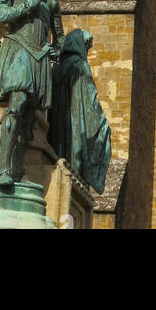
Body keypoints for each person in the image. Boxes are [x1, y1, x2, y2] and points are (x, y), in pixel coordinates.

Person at [0, 0, 63, 188]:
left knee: (30, 117)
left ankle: (17, 168)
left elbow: (59, 36)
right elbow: (0, 14)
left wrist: (57, 50)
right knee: (17, 104)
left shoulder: (52, 1)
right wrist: (28, 7)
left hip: (40, 57)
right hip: (19, 50)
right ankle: (3, 168)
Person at [49, 28, 111, 194]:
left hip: (55, 128)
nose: (87, 52)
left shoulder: (56, 68)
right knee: (74, 169)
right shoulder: (80, 67)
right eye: (87, 47)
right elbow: (89, 105)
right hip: (74, 129)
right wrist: (103, 126)